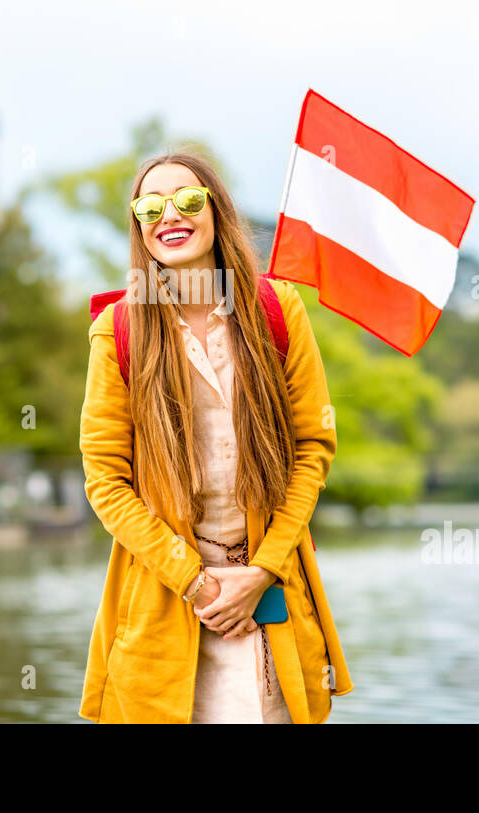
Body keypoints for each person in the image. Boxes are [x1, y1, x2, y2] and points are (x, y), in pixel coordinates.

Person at [78, 149, 353, 724]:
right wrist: (198, 586)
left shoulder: (278, 310)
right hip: (168, 607)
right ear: (139, 227)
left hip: (270, 601)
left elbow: (312, 448)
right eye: (150, 207)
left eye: (187, 200)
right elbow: (106, 481)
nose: (169, 216)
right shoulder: (118, 332)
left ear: (215, 209)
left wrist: (263, 571)